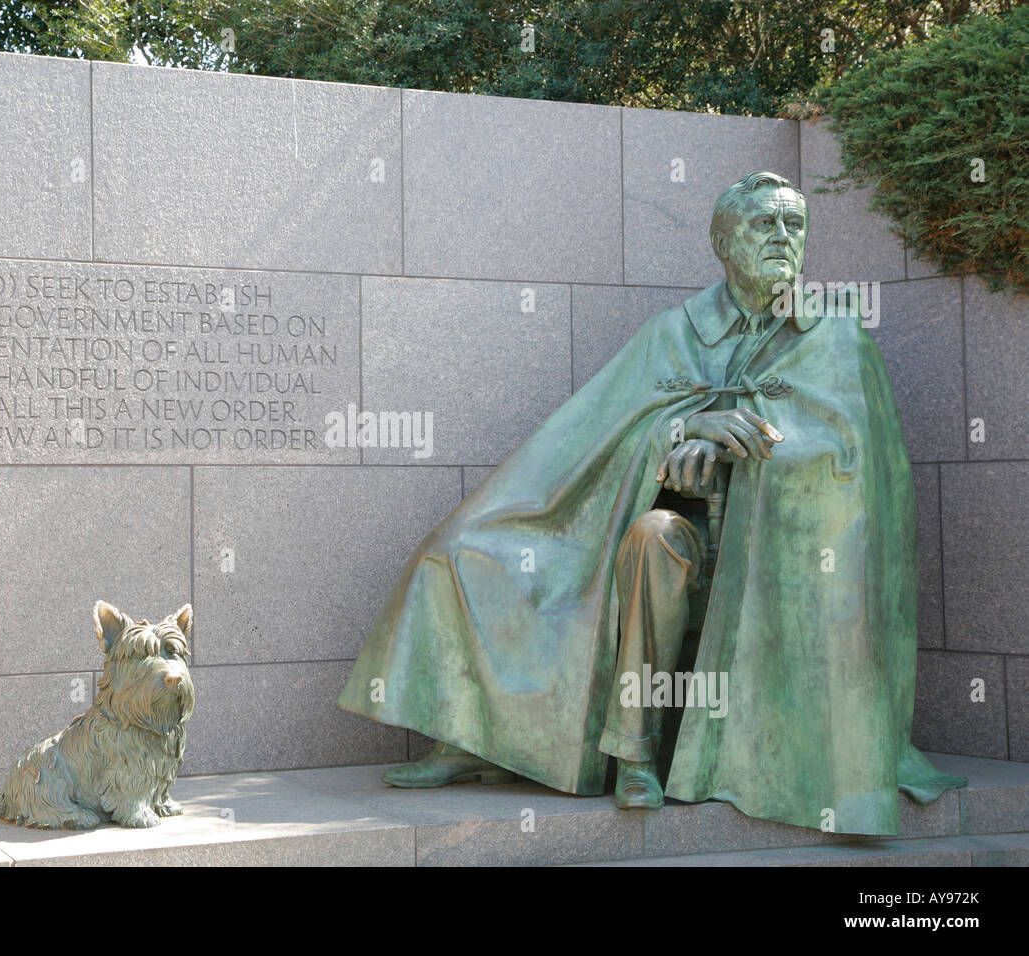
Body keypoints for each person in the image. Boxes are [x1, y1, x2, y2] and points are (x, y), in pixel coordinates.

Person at [337, 171, 965, 835]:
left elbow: (853, 465)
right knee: (483, 551)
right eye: (764, 224)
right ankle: (501, 739)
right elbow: (594, 435)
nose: (784, 237)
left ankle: (649, 751)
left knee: (655, 538)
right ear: (723, 242)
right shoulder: (674, 333)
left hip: (779, 557)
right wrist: (678, 434)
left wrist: (733, 453)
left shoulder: (836, 337)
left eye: (795, 224)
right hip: (667, 529)